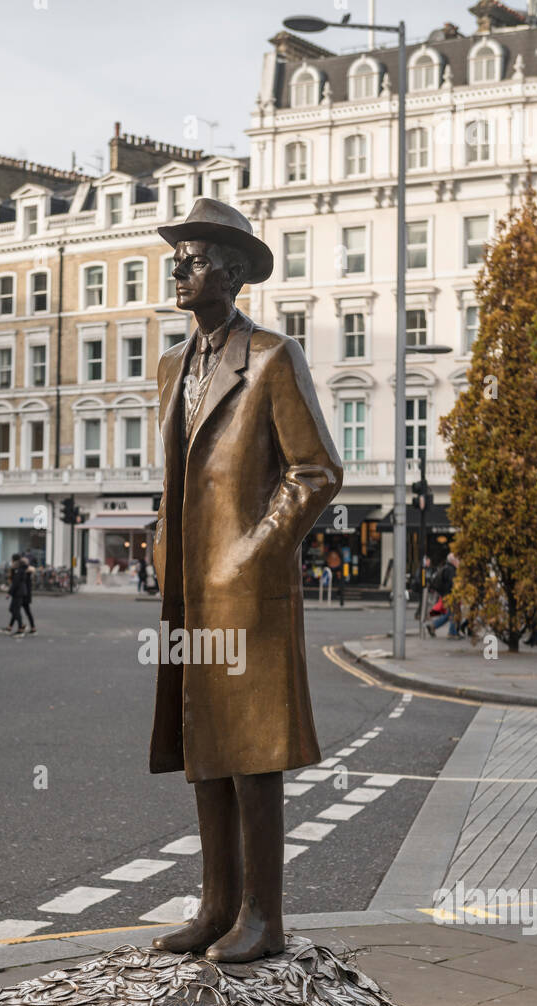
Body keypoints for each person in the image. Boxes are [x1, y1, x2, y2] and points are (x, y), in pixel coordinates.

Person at [147, 198, 341, 964]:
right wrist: (163, 540)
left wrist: (257, 551)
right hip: (189, 587)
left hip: (246, 586)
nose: (178, 270)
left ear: (229, 271)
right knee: (205, 738)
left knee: (255, 752)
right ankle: (216, 904)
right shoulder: (170, 364)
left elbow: (317, 472)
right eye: (177, 259)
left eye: (191, 260)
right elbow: (173, 473)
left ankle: (264, 917)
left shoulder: (270, 357)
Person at [426, 553, 460, 638]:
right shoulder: (451, 570)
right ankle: (452, 633)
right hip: (450, 595)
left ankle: (433, 626)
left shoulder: (446, 568)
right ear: (453, 561)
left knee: (450, 614)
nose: (458, 561)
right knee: (454, 613)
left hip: (446, 594)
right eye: (457, 560)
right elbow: (452, 584)